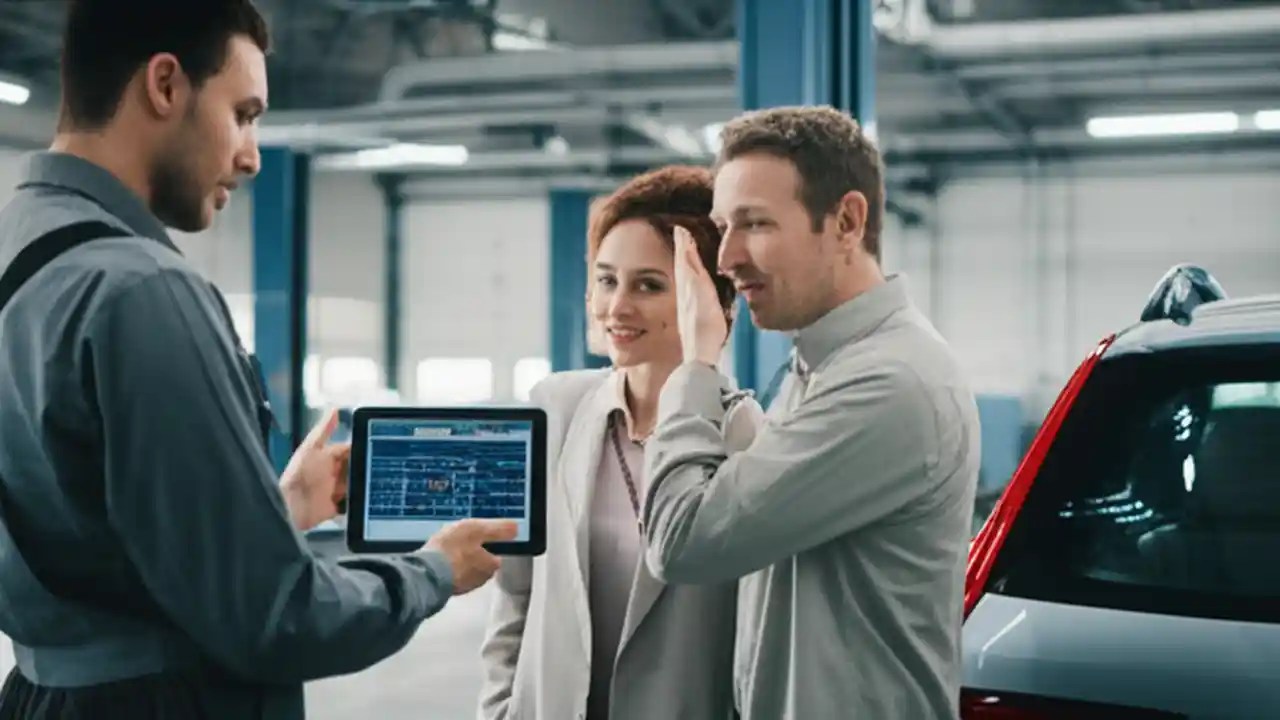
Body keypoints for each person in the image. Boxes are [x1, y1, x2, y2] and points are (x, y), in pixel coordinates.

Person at [0, 1, 514, 718]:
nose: (252, 154)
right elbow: (275, 617)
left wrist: (280, 508)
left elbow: (93, 538)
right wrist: (432, 571)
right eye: (243, 113)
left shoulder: (20, 256)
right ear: (166, 85)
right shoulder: (142, 291)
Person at [642, 106, 982, 719]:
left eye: (755, 224)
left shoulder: (888, 383)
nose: (726, 258)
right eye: (723, 226)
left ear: (847, 221)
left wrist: (695, 366)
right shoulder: (823, 362)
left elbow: (681, 541)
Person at [477, 166, 763, 720]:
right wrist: (500, 709)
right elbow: (517, 592)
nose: (617, 307)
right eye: (607, 280)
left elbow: (760, 633)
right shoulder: (554, 409)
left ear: (714, 300)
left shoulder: (746, 437)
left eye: (649, 285)